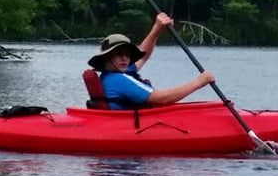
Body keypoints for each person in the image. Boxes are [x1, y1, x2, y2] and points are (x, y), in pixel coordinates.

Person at [87, 12, 215, 109]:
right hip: (132, 127)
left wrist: (157, 29)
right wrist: (199, 82)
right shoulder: (119, 80)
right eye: (119, 54)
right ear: (106, 57)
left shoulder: (113, 74)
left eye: (127, 54)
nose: (125, 58)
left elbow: (143, 55)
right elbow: (161, 99)